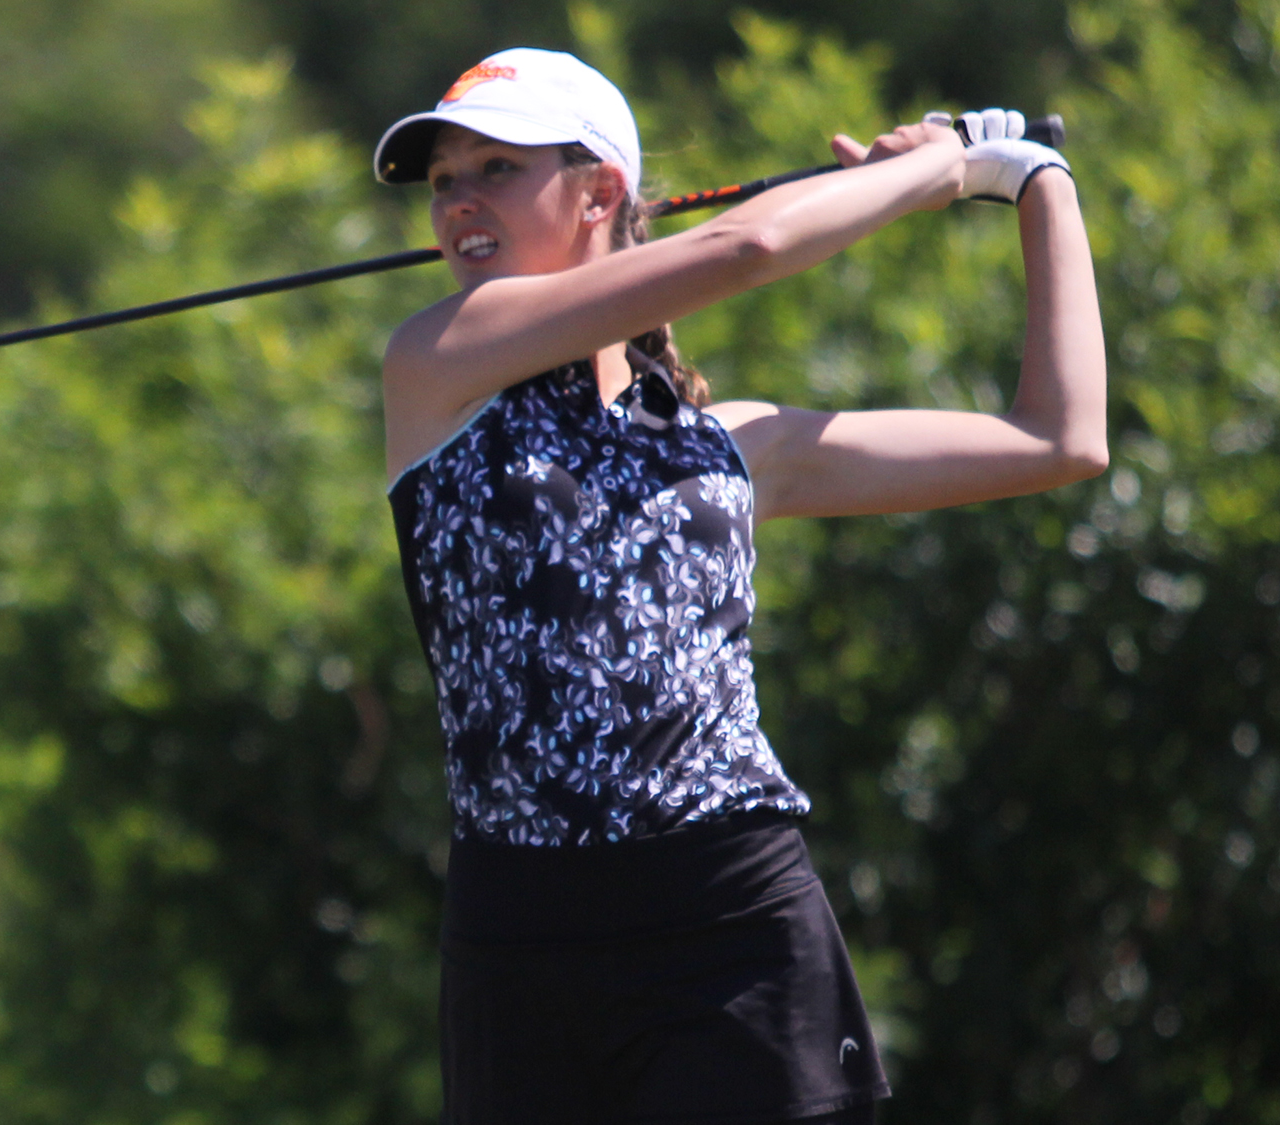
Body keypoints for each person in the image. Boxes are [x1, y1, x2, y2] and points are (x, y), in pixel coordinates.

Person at [375, 47, 1106, 1125]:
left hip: (730, 922)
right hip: (518, 939)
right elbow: (752, 242)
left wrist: (1036, 183)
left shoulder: (729, 448)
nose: (458, 203)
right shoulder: (436, 364)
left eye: (494, 168)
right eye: (443, 181)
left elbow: (1056, 437)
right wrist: (945, 163)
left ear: (599, 193)